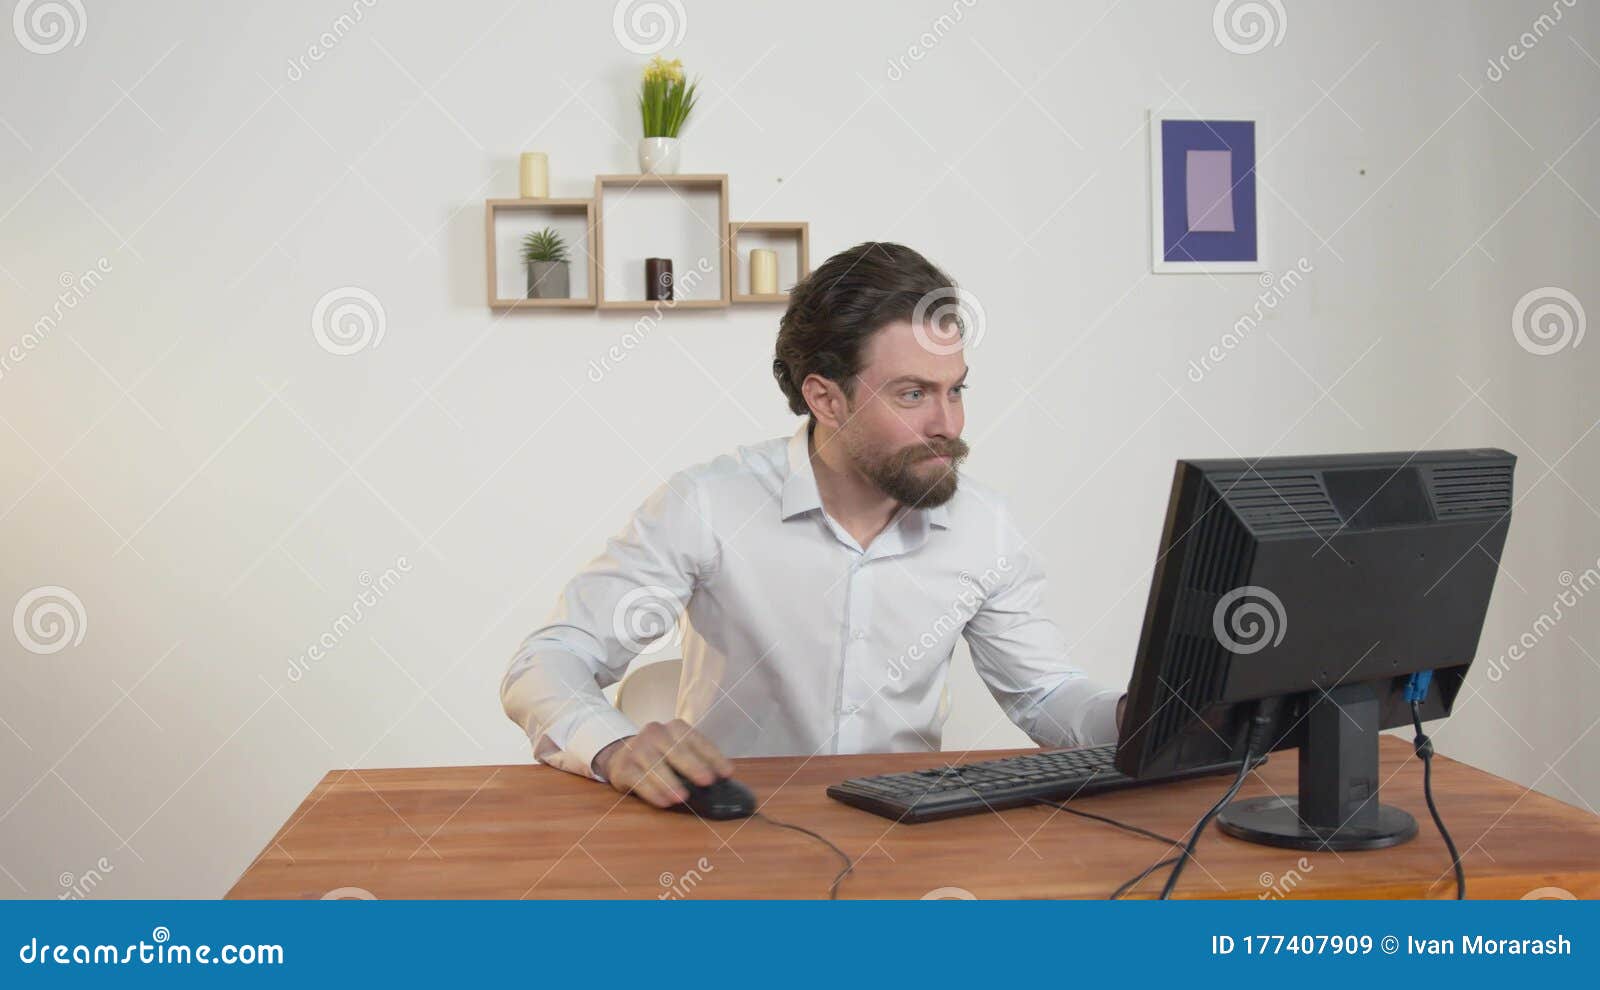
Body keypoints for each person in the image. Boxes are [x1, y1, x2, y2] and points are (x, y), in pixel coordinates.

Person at [501, 241, 1125, 809]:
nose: (949, 424)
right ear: (826, 398)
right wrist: (613, 748)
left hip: (904, 835)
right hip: (733, 834)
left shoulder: (983, 527)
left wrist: (1147, 717)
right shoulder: (709, 504)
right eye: (912, 395)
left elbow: (1044, 695)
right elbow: (549, 659)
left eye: (955, 390)